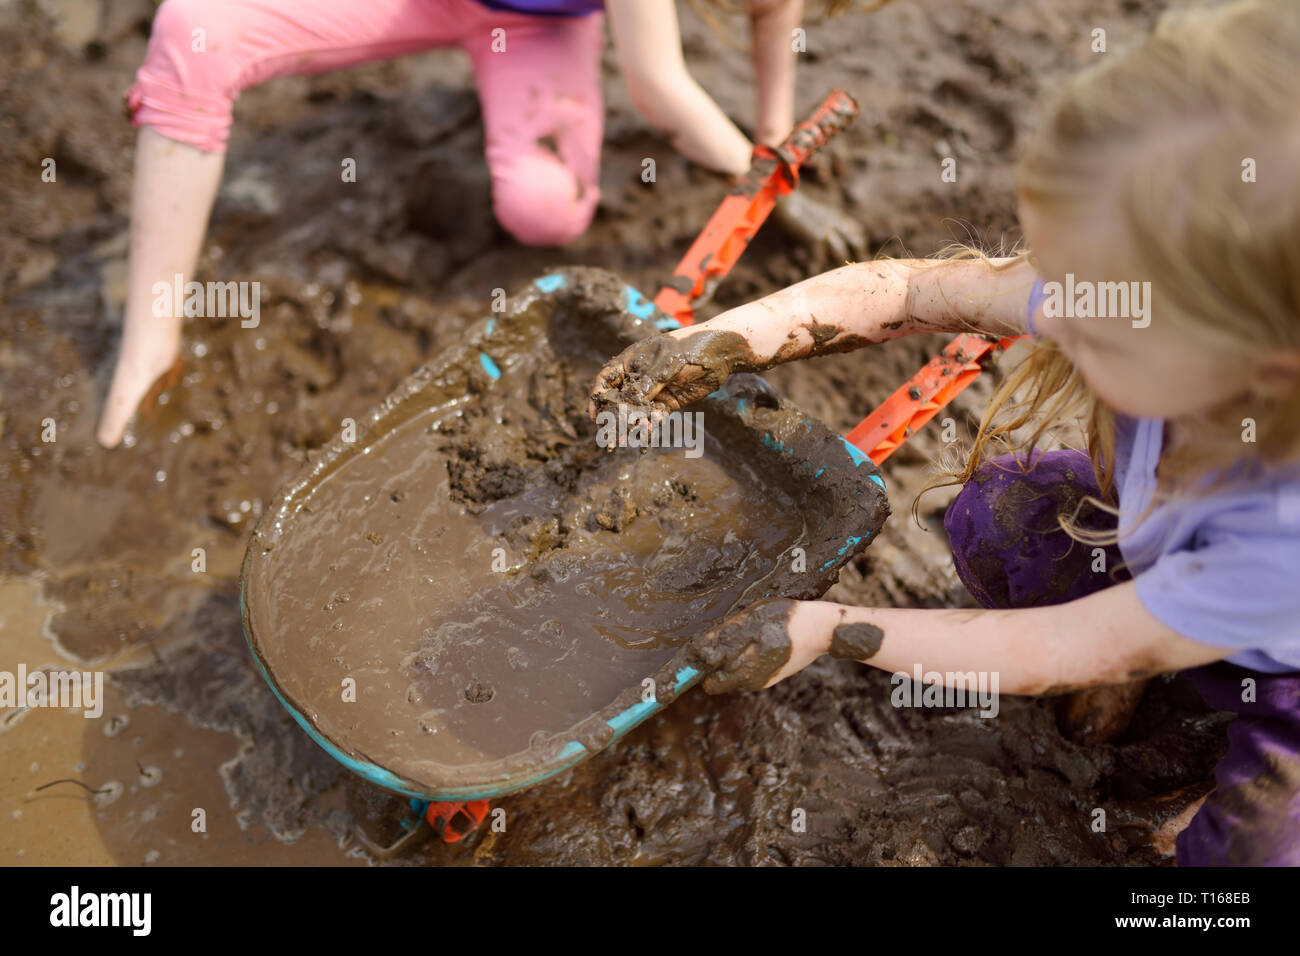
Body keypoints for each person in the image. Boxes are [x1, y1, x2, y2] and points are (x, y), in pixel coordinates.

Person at [587, 0, 1300, 865]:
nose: (1061, 313)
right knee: (1004, 516)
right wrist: (718, 345)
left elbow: (1061, 651)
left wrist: (827, 627)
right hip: (1169, 558)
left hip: (1284, 680)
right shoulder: (1126, 299)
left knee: (1248, 856)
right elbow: (907, 294)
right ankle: (1156, 645)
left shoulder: (1277, 537)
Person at [97, 0, 868, 448]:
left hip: (533, 24)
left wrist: (776, 163)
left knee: (545, 208)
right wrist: (779, 193)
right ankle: (149, 342)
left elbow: (774, 18)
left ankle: (504, 93)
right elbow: (659, 85)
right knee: (195, 34)